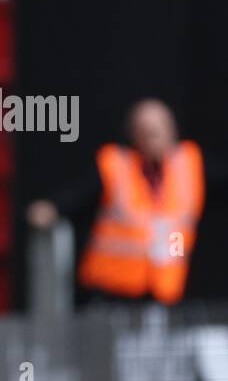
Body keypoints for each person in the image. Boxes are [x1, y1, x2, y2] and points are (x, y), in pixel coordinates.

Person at [27, 98, 205, 305]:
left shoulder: (188, 164)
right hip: (113, 288)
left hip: (166, 288)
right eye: (145, 132)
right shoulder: (116, 165)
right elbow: (80, 193)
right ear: (134, 135)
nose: (152, 139)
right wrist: (53, 208)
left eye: (157, 131)